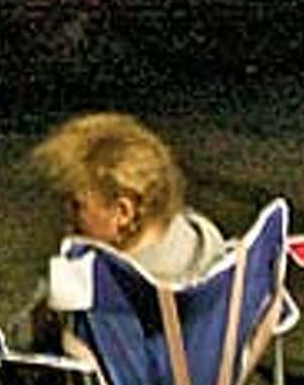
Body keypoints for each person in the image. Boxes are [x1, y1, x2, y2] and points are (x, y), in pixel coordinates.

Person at [31, 112, 226, 286]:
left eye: (76, 206)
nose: (67, 221)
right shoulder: (212, 252)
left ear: (123, 213)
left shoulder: (96, 297)